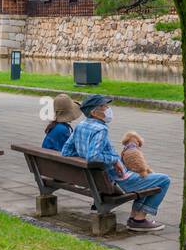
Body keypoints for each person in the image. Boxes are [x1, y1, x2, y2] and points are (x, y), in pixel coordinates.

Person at [63, 94, 171, 232]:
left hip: (97, 178)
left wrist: (83, 154)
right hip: (118, 180)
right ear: (94, 112)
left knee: (151, 180)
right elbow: (93, 156)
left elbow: (66, 151)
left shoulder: (80, 126)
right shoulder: (101, 129)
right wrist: (114, 160)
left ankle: (134, 217)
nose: (108, 108)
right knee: (163, 180)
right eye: (104, 106)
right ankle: (139, 219)